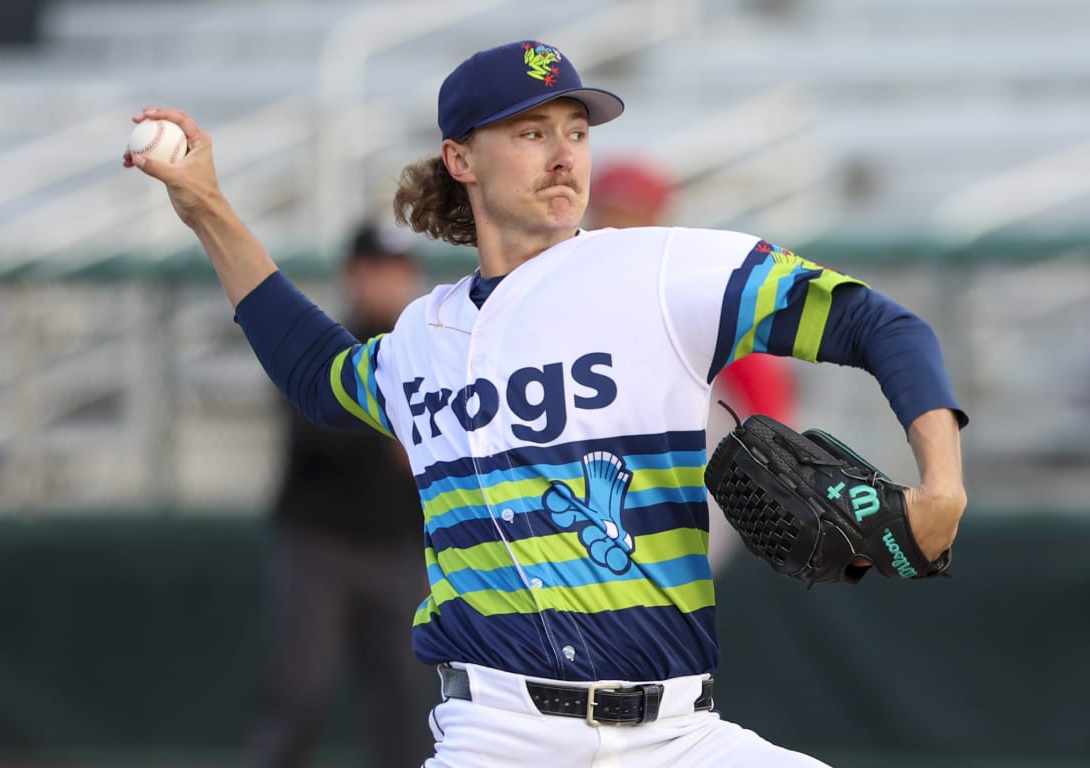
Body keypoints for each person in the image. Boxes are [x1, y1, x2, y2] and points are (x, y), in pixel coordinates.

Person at [125, 39, 967, 768]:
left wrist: (944, 484)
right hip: (497, 737)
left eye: (576, 131)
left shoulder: (662, 271)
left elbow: (876, 323)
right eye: (531, 133)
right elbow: (317, 373)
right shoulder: (422, 337)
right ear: (461, 160)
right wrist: (207, 207)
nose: (564, 155)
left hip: (678, 737)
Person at [249, 224, 432, 768]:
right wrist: (389, 437)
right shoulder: (328, 346)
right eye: (380, 270)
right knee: (299, 698)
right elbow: (311, 428)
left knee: (405, 703)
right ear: (354, 275)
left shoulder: (425, 353)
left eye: (401, 271)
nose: (393, 282)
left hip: (397, 551)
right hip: (319, 547)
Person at [587, 157, 798, 571]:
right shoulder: (574, 289)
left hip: (685, 483)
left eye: (630, 214)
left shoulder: (692, 288)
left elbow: (763, 390)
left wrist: (776, 466)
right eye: (609, 213)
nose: (618, 226)